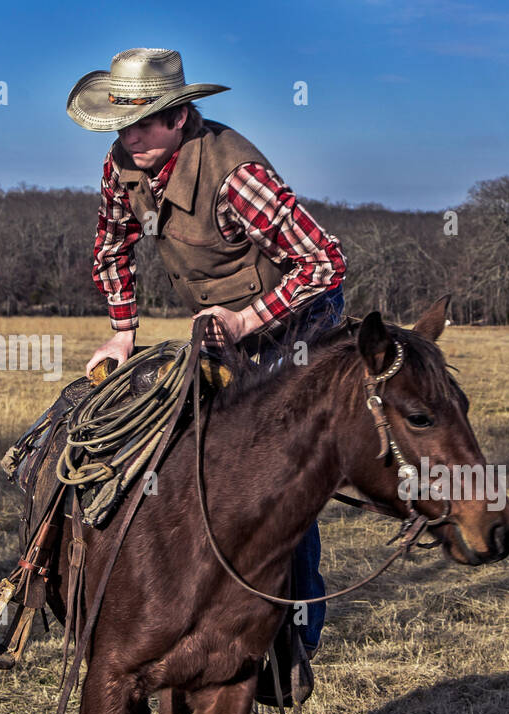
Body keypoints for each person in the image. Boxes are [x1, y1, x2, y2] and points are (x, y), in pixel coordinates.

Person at [66, 47, 347, 655]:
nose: (129, 136)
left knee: (278, 468)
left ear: (179, 117)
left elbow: (324, 262)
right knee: (180, 441)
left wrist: (247, 319)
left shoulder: (235, 174)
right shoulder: (123, 166)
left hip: (297, 317)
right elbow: (111, 247)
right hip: (222, 319)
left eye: (144, 121)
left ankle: (292, 641)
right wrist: (122, 330)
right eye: (121, 122)